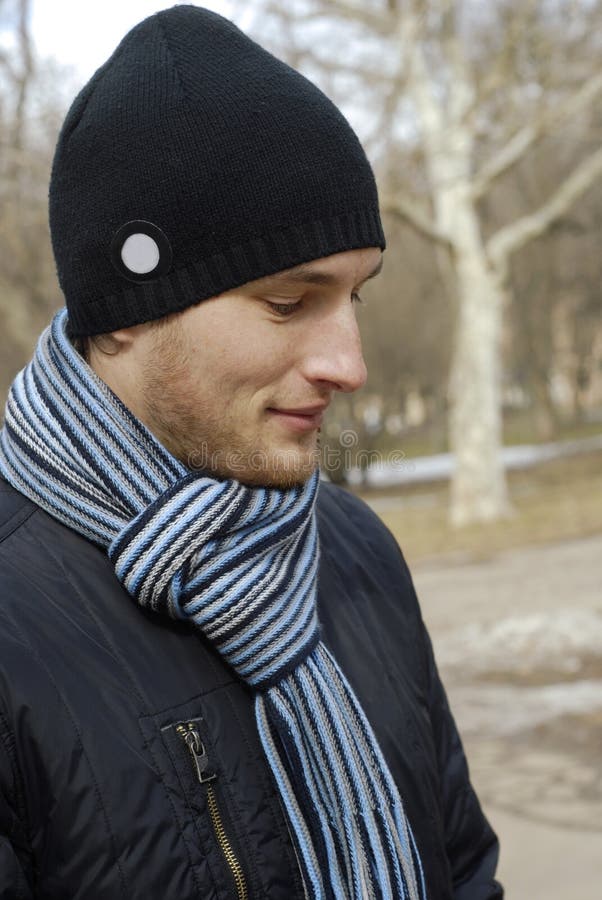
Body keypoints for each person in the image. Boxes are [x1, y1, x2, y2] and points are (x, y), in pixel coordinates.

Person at [0, 6, 502, 899]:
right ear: (124, 311)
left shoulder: (353, 550)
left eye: (357, 298)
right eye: (287, 302)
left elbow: (461, 871)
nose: (349, 363)